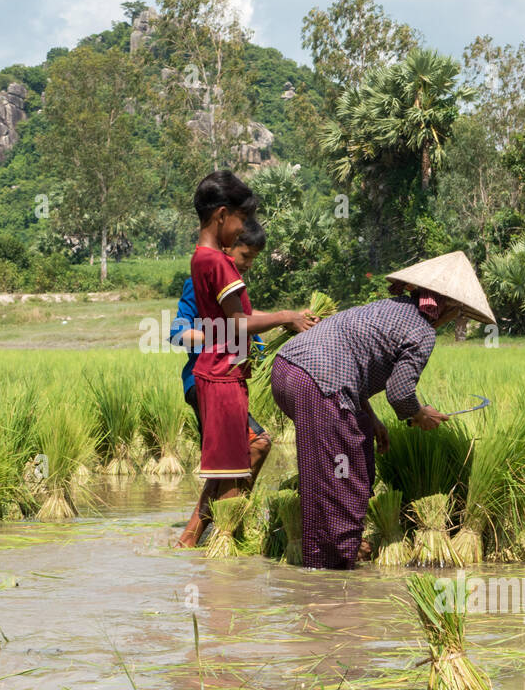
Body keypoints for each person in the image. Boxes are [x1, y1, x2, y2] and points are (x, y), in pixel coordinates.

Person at [269, 251, 496, 570]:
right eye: (456, 313)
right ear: (445, 306)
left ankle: (320, 555)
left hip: (286, 371)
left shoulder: (385, 308)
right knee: (344, 475)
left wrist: (372, 420)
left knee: (341, 459)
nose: (451, 321)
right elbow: (400, 392)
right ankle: (333, 566)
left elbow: (353, 361)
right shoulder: (421, 331)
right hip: (321, 386)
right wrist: (420, 414)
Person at [181, 170, 315, 548]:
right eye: (241, 219)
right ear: (222, 215)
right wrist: (287, 316)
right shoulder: (220, 263)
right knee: (236, 463)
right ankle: (215, 552)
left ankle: (199, 544)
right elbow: (237, 323)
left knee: (229, 467)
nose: (242, 229)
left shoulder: (200, 257)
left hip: (219, 372)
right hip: (220, 376)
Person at [171, 219, 272, 548]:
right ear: (227, 246)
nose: (248, 265)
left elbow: (249, 333)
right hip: (204, 382)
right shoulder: (200, 280)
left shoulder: (234, 285)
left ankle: (206, 534)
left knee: (243, 454)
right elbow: (177, 332)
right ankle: (219, 531)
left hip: (227, 383)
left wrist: (258, 349)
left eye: (254, 259)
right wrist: (219, 338)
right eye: (246, 256)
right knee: (253, 446)